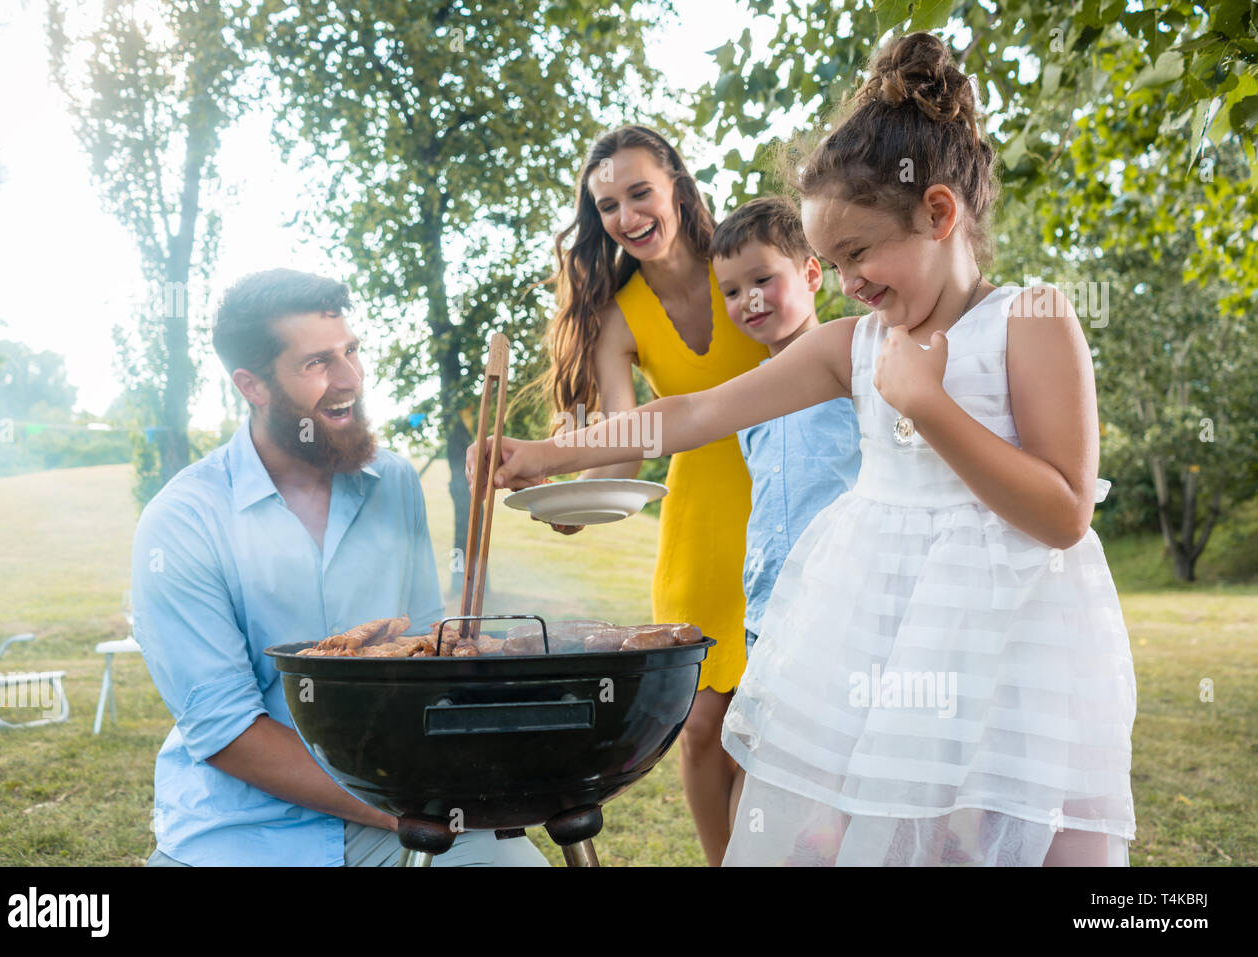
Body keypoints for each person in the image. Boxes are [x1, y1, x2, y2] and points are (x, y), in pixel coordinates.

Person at [469, 32, 1136, 866]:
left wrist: (926, 403)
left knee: (1019, 836)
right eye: (829, 261)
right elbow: (692, 413)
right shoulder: (850, 346)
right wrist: (546, 455)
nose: (848, 282)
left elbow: (1064, 512)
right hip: (874, 633)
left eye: (858, 254)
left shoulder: (1031, 320)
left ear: (938, 212)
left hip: (1010, 639)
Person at [133, 268, 547, 867]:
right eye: (315, 363)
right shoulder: (183, 521)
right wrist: (407, 809)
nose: (350, 379)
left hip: (401, 801)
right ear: (252, 385)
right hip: (242, 830)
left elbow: (423, 646)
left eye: (351, 351)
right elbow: (226, 732)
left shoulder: (396, 480)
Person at [521, 125, 769, 864]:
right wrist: (573, 496)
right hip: (700, 519)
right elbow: (625, 435)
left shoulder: (744, 255)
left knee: (775, 723)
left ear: (677, 189)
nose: (626, 217)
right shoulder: (618, 312)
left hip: (785, 498)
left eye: (638, 193)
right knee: (700, 723)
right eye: (606, 205)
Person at [709, 196, 861, 827]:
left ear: (811, 273)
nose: (749, 300)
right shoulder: (753, 401)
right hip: (770, 618)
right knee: (762, 772)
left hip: (843, 613)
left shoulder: (852, 363)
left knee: (840, 782)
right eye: (732, 290)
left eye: (763, 279)